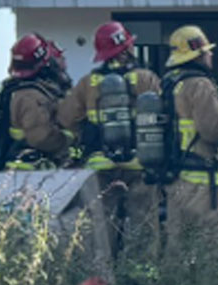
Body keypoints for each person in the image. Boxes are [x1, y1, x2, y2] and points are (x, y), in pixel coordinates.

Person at [57, 20, 160, 253]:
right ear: (127, 48)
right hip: (139, 165)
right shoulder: (147, 79)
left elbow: (65, 118)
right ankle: (144, 273)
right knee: (144, 226)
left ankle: (103, 273)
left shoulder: (88, 83)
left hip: (100, 167)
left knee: (102, 230)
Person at [159, 25, 218, 247]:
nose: (211, 54)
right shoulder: (200, 85)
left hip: (175, 181)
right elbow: (216, 131)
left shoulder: (170, 83)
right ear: (197, 55)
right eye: (207, 51)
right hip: (201, 184)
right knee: (208, 249)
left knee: (179, 249)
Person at [1, 34, 74, 169]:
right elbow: (40, 138)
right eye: (59, 59)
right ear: (46, 63)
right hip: (32, 169)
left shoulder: (31, 91)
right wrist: (69, 140)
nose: (64, 64)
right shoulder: (31, 96)